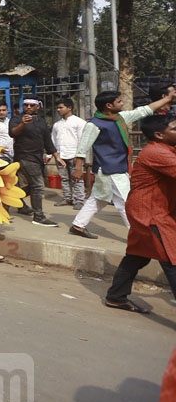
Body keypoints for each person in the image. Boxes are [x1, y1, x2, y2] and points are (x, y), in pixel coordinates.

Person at [70, 89, 176, 239]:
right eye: (119, 101)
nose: (123, 103)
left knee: (98, 199)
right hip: (109, 168)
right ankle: (138, 236)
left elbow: (145, 110)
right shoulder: (94, 125)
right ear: (109, 105)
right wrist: (78, 168)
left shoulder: (120, 119)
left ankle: (78, 225)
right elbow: (83, 147)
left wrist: (167, 99)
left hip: (118, 166)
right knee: (127, 202)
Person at [101, 115, 176, 313]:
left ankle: (116, 296)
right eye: (174, 128)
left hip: (149, 209)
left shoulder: (165, 149)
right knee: (172, 258)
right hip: (151, 214)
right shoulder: (158, 153)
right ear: (159, 135)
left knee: (138, 255)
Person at [9, 99, 63, 227]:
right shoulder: (16, 119)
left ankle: (13, 200)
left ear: (37, 106)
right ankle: (38, 216)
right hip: (24, 157)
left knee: (33, 186)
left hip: (38, 157)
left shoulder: (41, 121)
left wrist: (57, 156)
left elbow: (47, 141)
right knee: (38, 186)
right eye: (25, 105)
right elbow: (12, 133)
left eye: (31, 105)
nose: (28, 107)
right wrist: (23, 124)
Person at [51, 98, 86, 208]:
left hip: (74, 155)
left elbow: (82, 140)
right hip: (61, 155)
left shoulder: (79, 122)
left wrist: (79, 156)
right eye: (57, 107)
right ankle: (67, 198)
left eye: (61, 107)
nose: (58, 110)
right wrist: (51, 155)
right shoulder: (57, 124)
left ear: (69, 108)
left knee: (77, 177)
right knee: (64, 178)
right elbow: (53, 140)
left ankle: (79, 200)